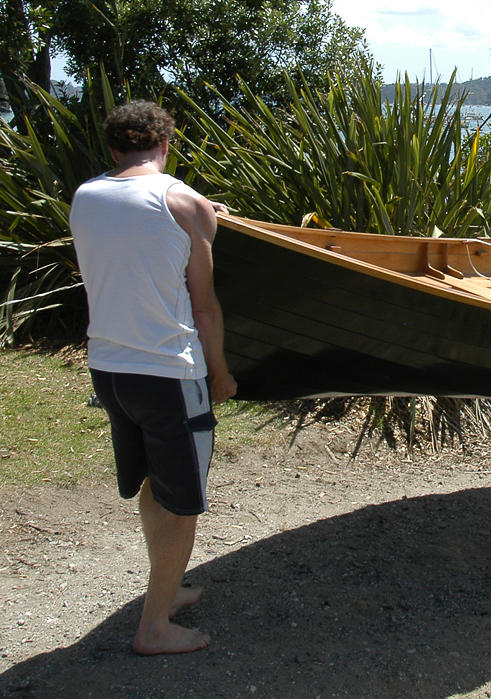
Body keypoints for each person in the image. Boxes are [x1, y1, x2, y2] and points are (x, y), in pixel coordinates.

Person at [70, 100, 238, 655]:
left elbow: (134, 230)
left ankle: (165, 594)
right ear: (166, 146)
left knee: (152, 483)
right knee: (183, 502)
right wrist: (220, 373)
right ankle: (154, 629)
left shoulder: (87, 196)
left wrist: (197, 211)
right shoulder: (185, 204)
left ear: (114, 149)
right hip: (169, 373)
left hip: (110, 369)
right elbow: (205, 306)